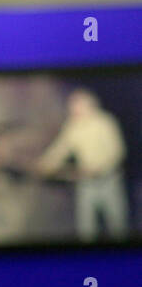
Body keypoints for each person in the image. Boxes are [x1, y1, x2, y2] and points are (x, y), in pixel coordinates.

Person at [35, 88, 129, 241]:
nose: (73, 110)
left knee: (117, 225)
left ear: (89, 105)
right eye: (72, 107)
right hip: (86, 183)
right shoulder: (73, 126)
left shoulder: (105, 122)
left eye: (76, 106)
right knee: (86, 228)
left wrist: (100, 167)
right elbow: (61, 147)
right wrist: (46, 163)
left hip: (109, 181)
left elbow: (117, 151)